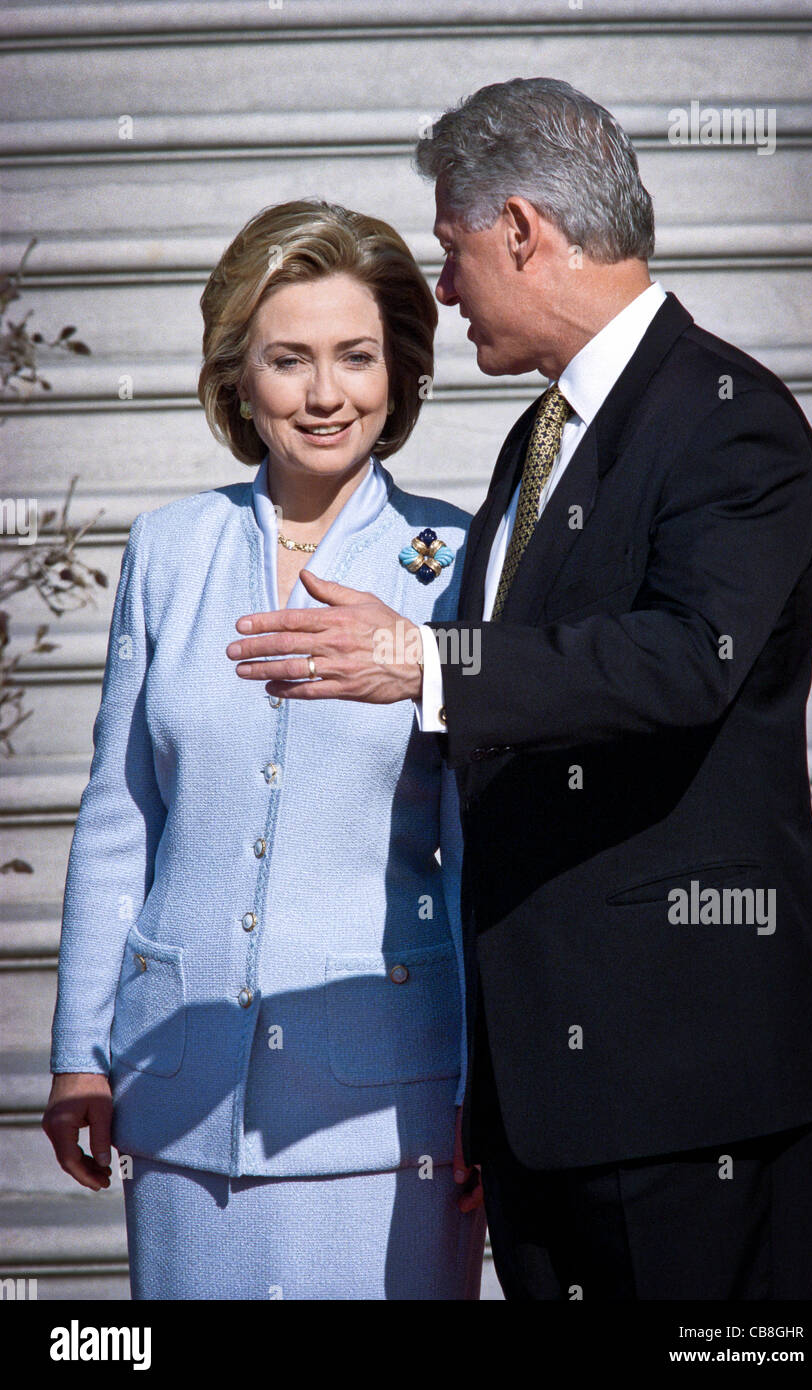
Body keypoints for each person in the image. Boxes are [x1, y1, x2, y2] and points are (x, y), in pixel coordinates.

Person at [225, 81, 812, 1301]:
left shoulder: (729, 423)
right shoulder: (538, 435)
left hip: (679, 1090)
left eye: (451, 251)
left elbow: (684, 660)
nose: (442, 290)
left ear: (518, 229)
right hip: (545, 1097)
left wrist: (426, 663)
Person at [42, 198, 486, 1300]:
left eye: (355, 357)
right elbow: (118, 815)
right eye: (288, 359)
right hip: (179, 1095)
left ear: (402, 373)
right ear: (238, 377)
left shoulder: (455, 558)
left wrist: (492, 1084)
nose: (325, 393)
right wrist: (79, 1050)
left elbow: (478, 845)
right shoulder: (166, 550)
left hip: (390, 1105)